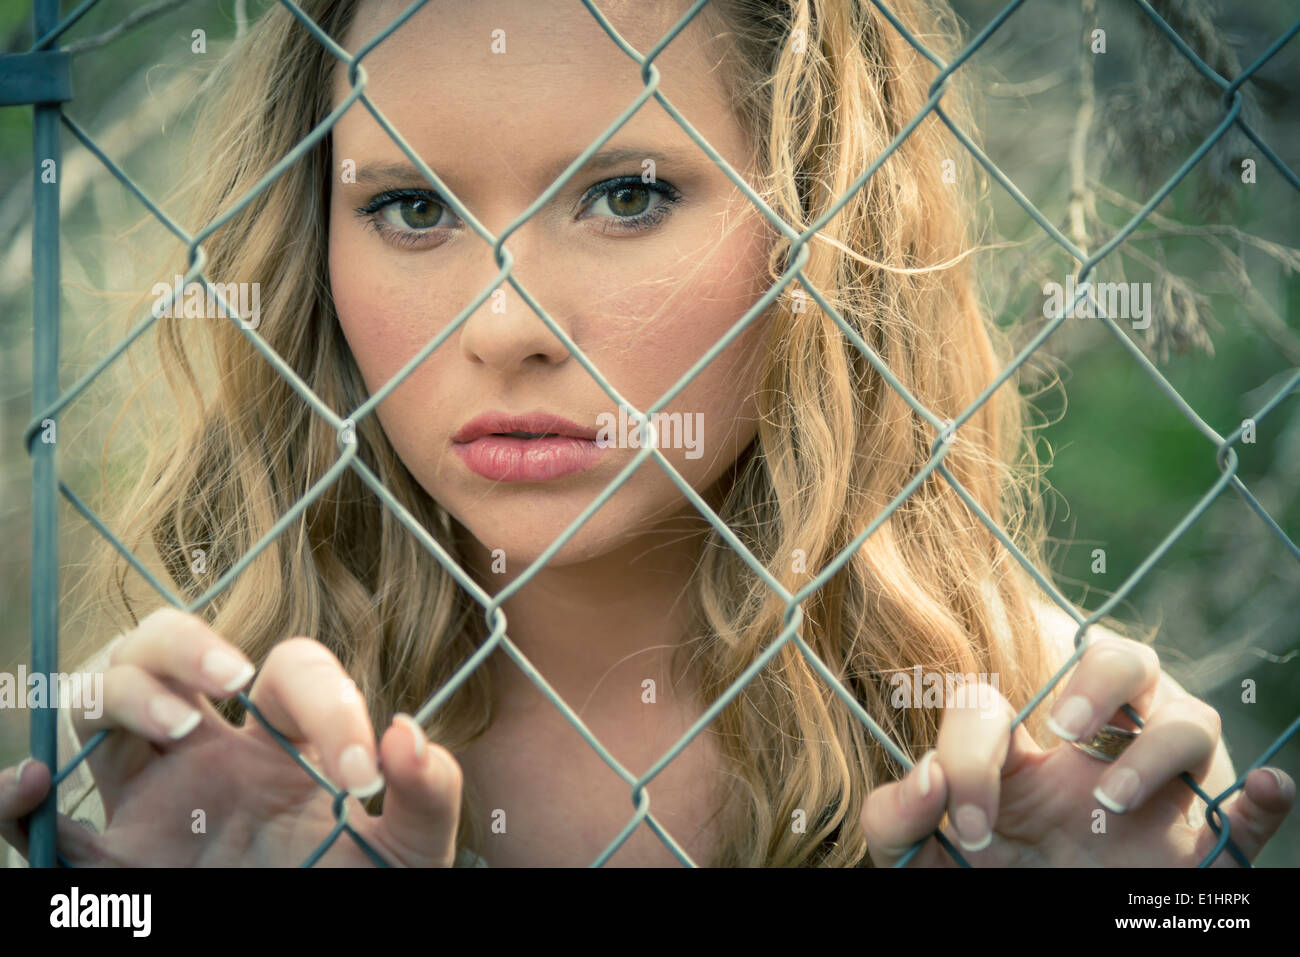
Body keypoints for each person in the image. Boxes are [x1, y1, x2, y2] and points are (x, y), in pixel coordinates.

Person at [2, 0, 1293, 868]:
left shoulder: (1036, 738)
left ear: (820, 229)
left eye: (626, 195)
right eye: (409, 207)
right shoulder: (217, 759)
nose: (503, 324)